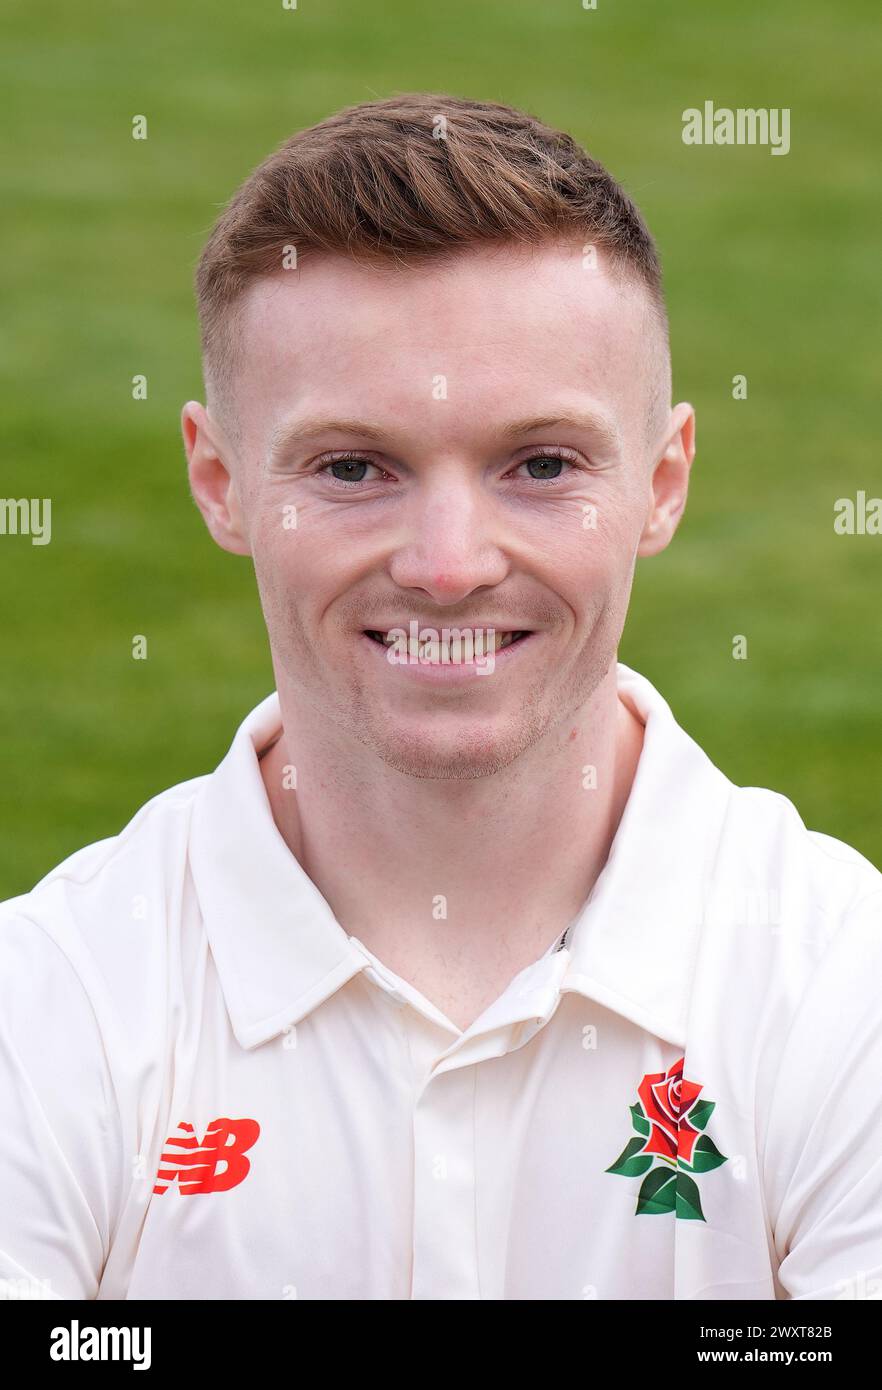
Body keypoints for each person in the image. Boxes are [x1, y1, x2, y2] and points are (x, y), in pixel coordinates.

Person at [1, 94, 880, 1302]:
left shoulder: (846, 986)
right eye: (355, 467)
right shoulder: (48, 1005)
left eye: (542, 465)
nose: (450, 562)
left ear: (664, 481)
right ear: (221, 482)